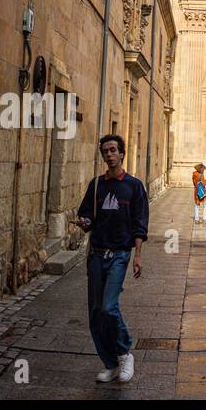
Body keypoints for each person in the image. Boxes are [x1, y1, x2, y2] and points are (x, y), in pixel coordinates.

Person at [74, 134, 148, 385]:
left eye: (113, 150)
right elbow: (86, 216)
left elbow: (140, 224)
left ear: (122, 153)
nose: (109, 154)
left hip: (119, 254)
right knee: (95, 312)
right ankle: (110, 363)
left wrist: (137, 256)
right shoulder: (96, 185)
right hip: (96, 254)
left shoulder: (134, 186)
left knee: (108, 307)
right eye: (105, 151)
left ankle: (125, 352)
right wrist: (84, 222)